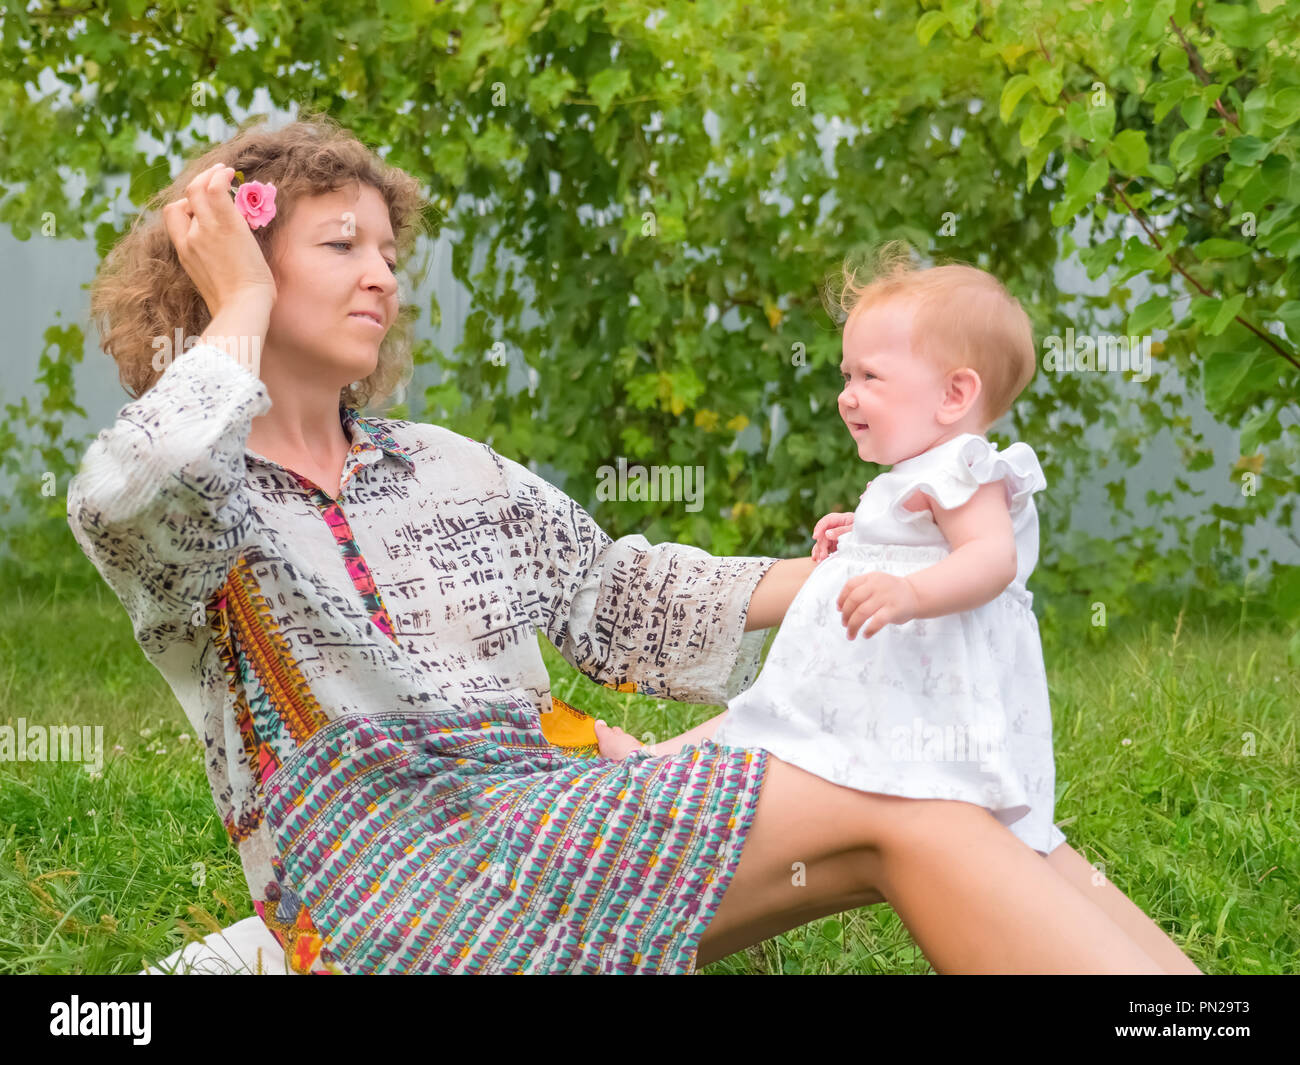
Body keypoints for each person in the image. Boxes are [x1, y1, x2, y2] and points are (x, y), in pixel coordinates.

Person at [71, 113, 1189, 974]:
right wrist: (234, 312)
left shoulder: (442, 465)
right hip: (402, 880)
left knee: (935, 783)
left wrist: (868, 570)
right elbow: (129, 497)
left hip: (544, 820)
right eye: (339, 244)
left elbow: (614, 592)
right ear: (244, 275)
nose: (383, 273)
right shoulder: (199, 499)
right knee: (890, 799)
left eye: (387, 248)